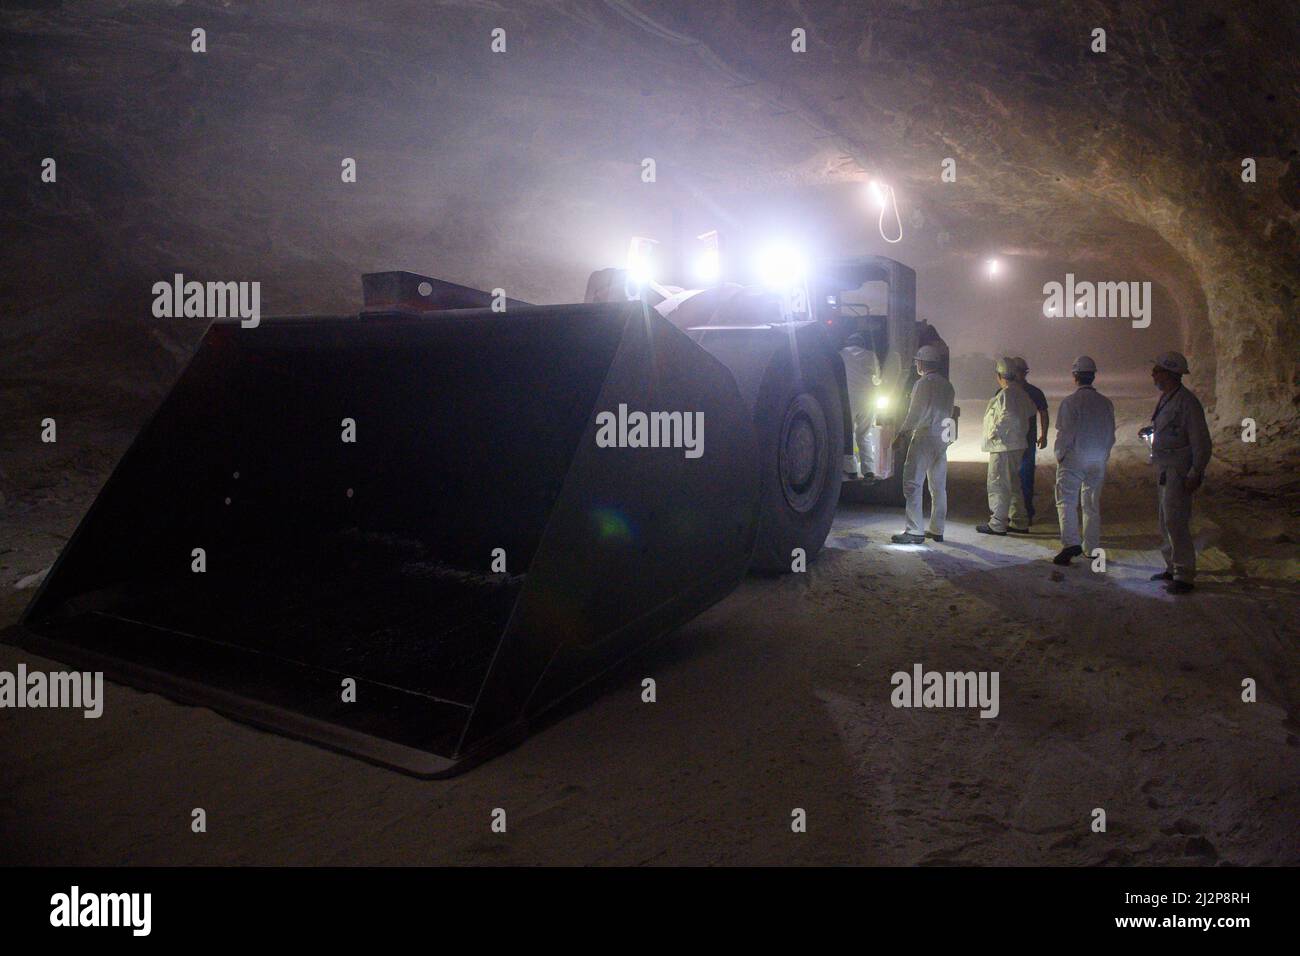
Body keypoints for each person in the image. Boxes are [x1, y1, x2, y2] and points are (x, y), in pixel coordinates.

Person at [1145, 351, 1212, 593]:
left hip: (1179, 470)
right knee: (1165, 520)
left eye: (1157, 370)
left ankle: (1184, 576)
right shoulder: (1167, 398)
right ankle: (1172, 566)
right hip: (1165, 467)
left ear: (1170, 373)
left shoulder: (1187, 402)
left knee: (1176, 520)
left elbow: (1200, 441)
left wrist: (1196, 472)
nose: (1153, 374)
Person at [1052, 356, 1116, 565]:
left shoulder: (1070, 403)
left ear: (1075, 376)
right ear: (1093, 375)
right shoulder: (1106, 403)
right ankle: (1092, 547)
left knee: (1066, 501)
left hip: (1074, 458)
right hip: (1097, 459)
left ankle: (1071, 543)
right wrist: (1103, 455)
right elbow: (1110, 434)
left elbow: (1065, 433)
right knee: (1091, 503)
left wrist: (1060, 455)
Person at [891, 345, 956, 544]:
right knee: (938, 486)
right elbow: (951, 412)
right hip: (942, 436)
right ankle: (937, 529)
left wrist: (902, 434)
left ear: (921, 363)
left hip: (926, 435)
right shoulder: (948, 385)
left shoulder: (922, 384)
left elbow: (915, 413)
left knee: (912, 482)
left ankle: (914, 530)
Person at [977, 357, 1037, 536]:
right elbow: (1031, 411)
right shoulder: (1021, 393)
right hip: (1016, 446)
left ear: (999, 375)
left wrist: (994, 433)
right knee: (1014, 484)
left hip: (1003, 447)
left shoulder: (1006, 394)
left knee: (998, 484)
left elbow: (1008, 416)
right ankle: (1019, 520)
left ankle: (997, 523)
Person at [1012, 357, 1049, 526]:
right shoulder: (1034, 392)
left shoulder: (1006, 393)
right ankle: (1018, 512)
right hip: (1017, 442)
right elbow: (1043, 413)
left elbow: (1044, 413)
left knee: (1024, 478)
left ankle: (1025, 512)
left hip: (1024, 442)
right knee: (1016, 478)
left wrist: (1044, 435)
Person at [839, 332, 881, 478]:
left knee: (847, 433)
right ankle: (868, 470)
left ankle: (850, 471)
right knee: (864, 434)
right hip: (868, 399)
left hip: (848, 399)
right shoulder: (871, 355)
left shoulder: (841, 354)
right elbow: (877, 379)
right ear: (862, 344)